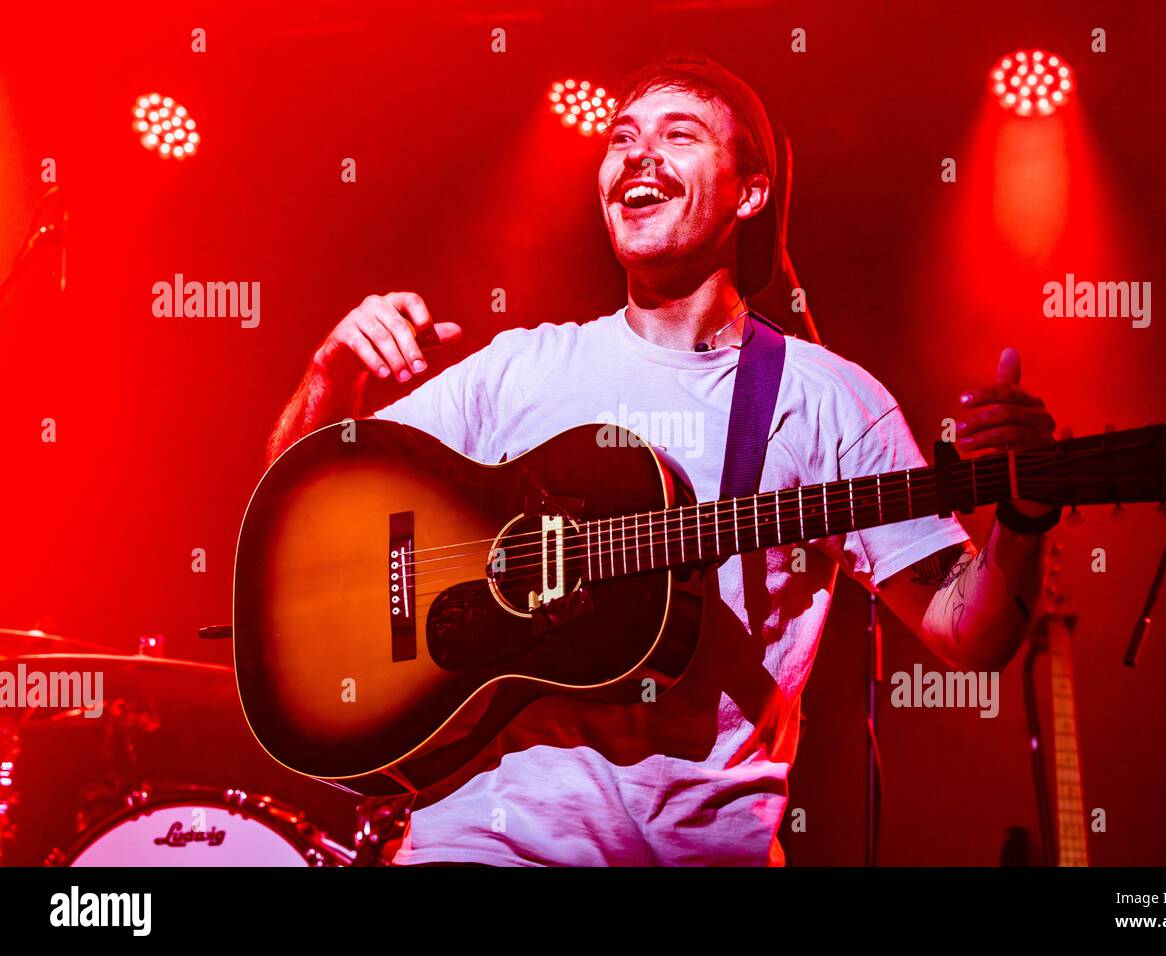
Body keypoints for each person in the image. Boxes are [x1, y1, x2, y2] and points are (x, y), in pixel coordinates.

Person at [267, 56, 1058, 866]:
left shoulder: (824, 400)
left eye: (679, 136)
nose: (637, 156)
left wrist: (1026, 513)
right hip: (476, 844)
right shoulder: (519, 368)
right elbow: (295, 507)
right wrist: (331, 371)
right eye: (620, 140)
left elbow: (969, 634)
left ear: (749, 193)